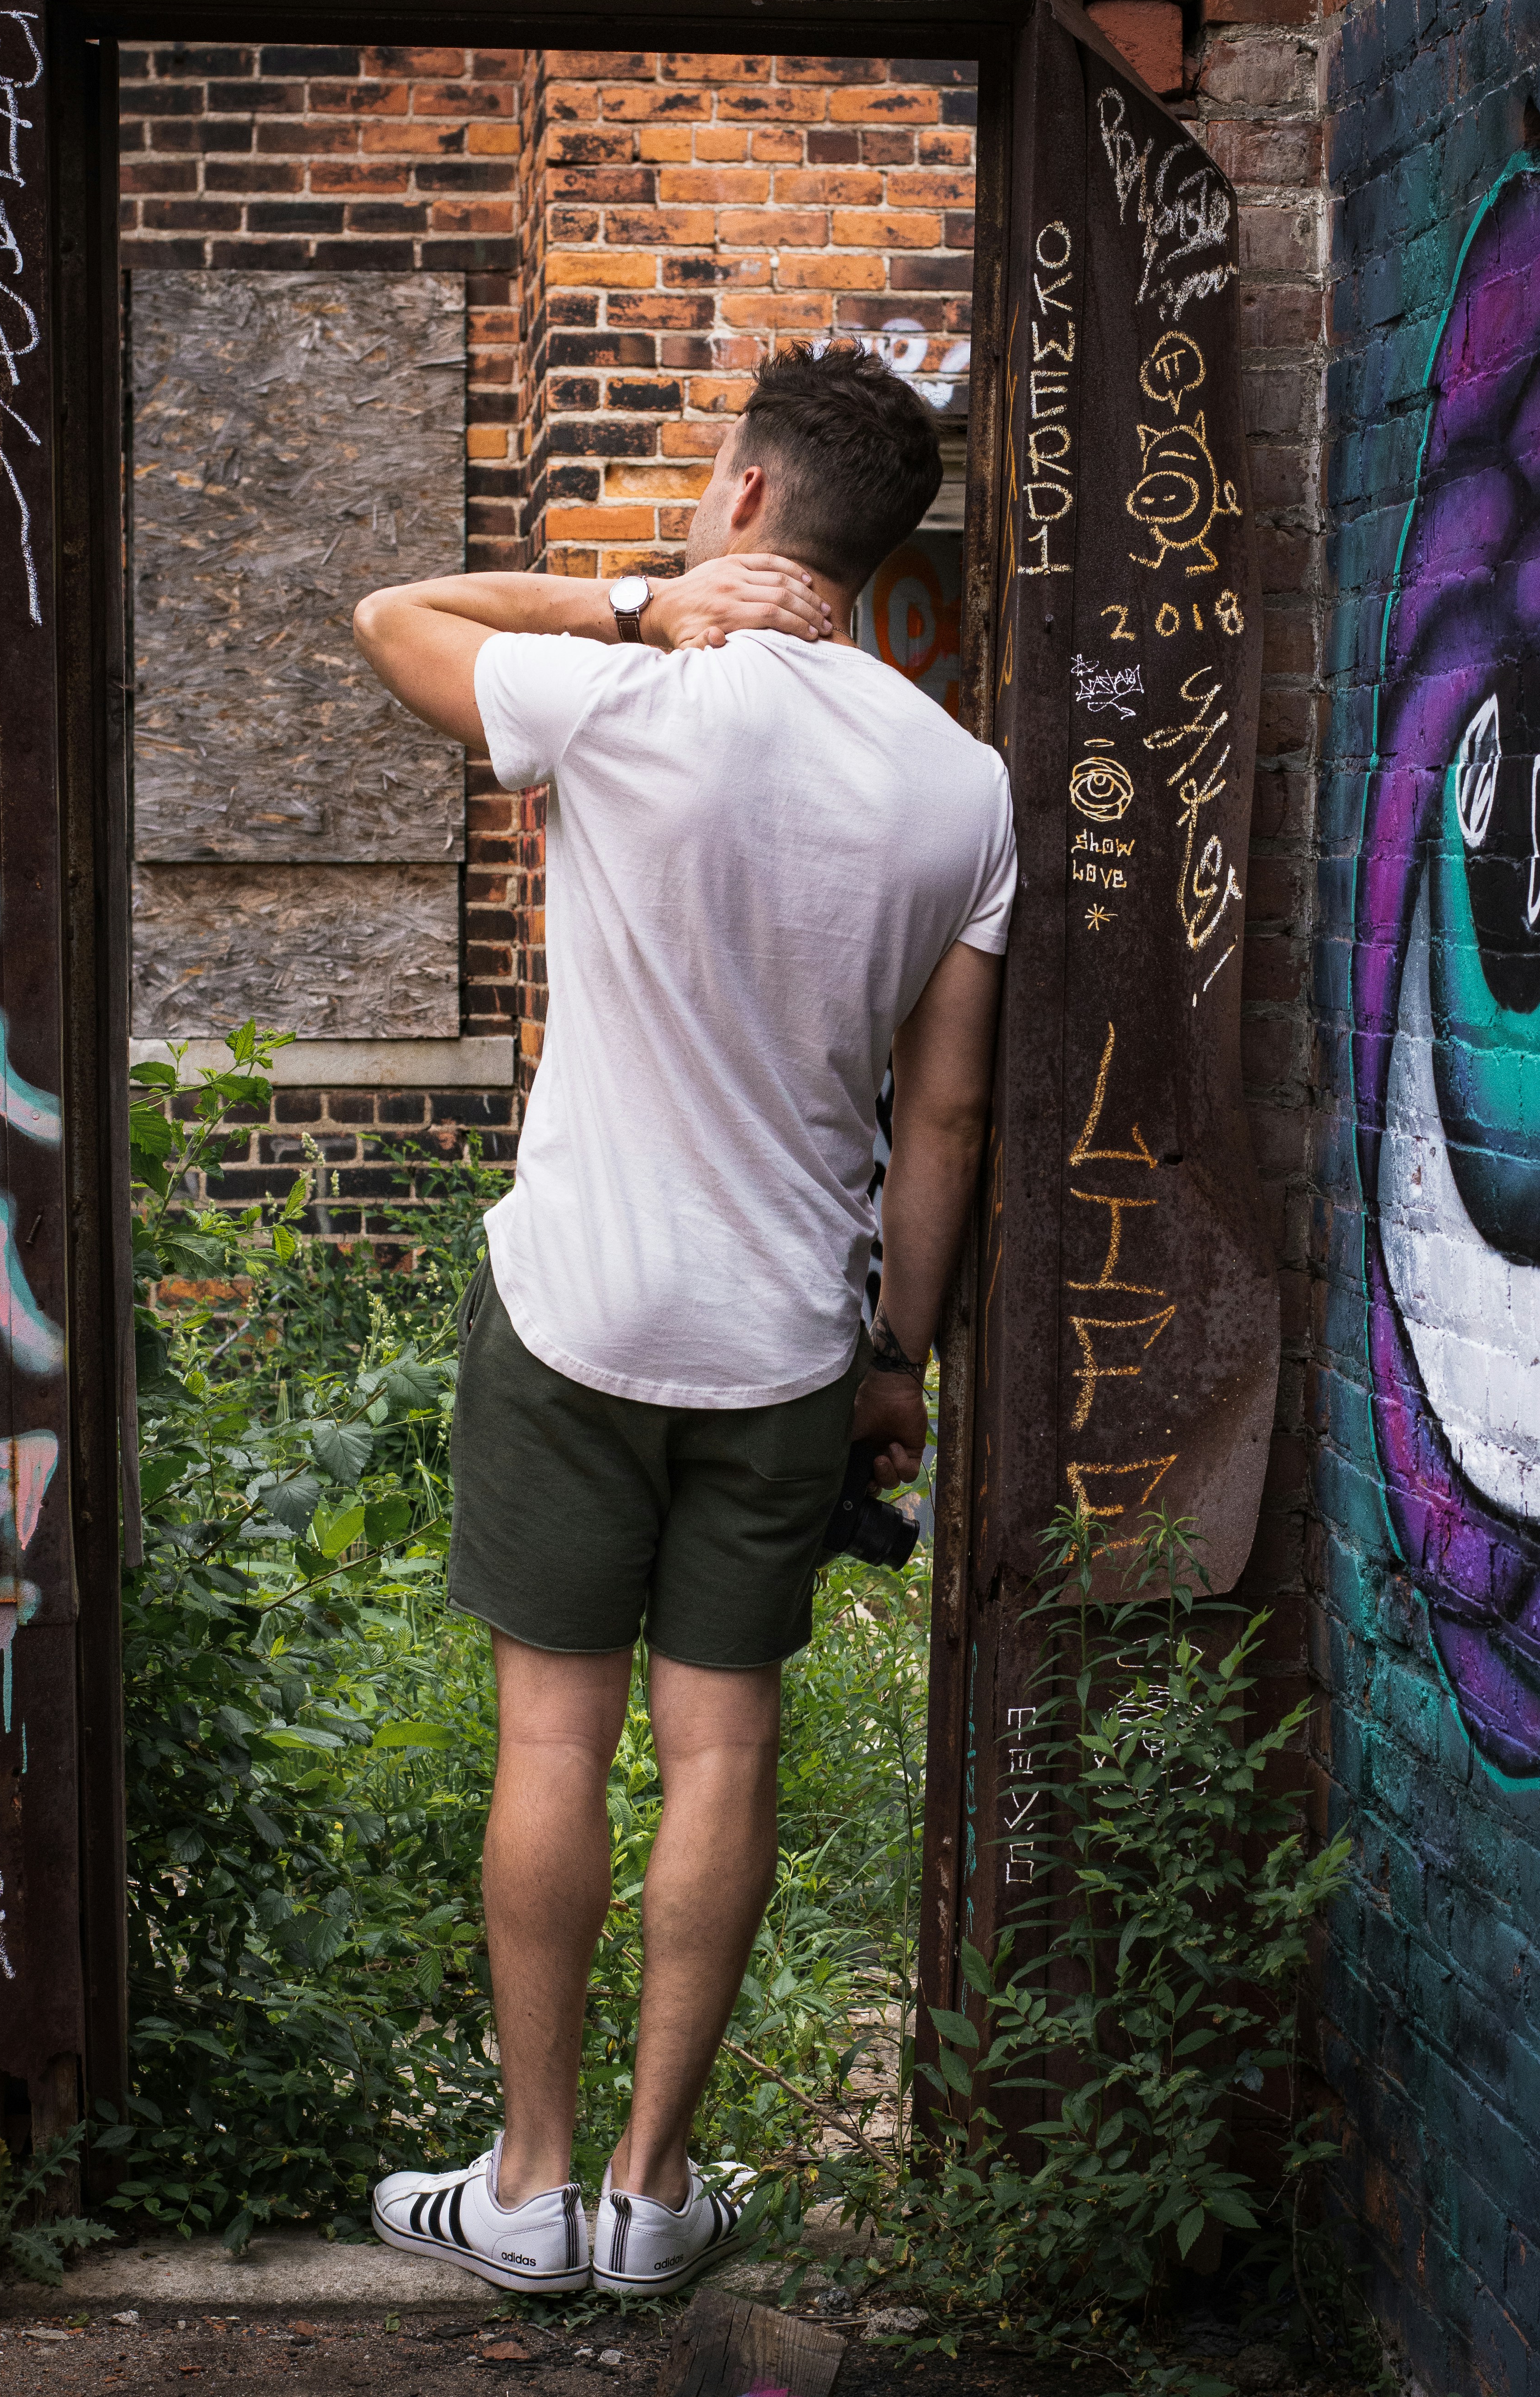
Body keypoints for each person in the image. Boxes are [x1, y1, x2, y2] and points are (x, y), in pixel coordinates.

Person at [352, 341, 1016, 2298]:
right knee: (722, 1749)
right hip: (789, 1336)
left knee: (551, 1733)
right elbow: (946, 1116)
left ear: (746, 494)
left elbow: (392, 616)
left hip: (578, 1304)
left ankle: (529, 2187)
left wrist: (634, 601)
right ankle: (652, 2198)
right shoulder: (960, 784)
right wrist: (896, 1356)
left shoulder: (632, 695)